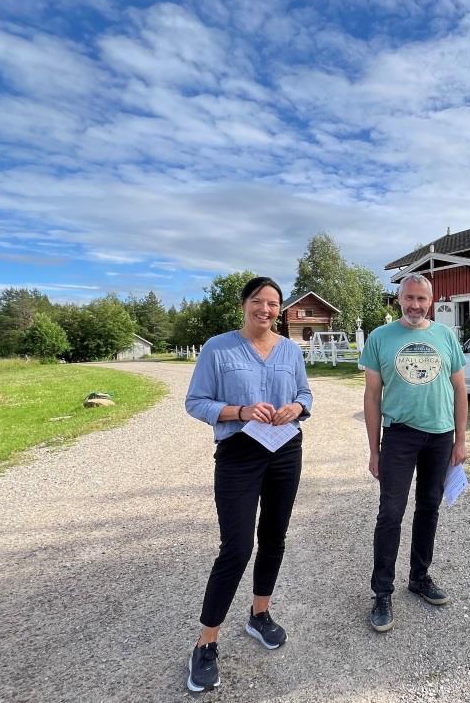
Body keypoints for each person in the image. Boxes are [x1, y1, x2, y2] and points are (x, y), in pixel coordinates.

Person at [183, 276, 313, 692]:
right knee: (236, 548)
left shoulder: (290, 350)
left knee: (274, 536)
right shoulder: (217, 348)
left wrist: (296, 406)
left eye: (274, 304)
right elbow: (195, 402)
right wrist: (238, 411)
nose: (266, 309)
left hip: (285, 450)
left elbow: (305, 394)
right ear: (244, 305)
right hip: (239, 456)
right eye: (258, 301)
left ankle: (260, 614)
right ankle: (206, 643)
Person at [360, 273, 468, 632]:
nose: (415, 305)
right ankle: (382, 591)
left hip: (440, 435)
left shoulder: (445, 336)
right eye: (409, 298)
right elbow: (372, 396)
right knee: (390, 512)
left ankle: (419, 577)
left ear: (431, 300)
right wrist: (374, 449)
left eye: (422, 299)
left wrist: (461, 439)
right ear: (399, 299)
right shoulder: (380, 338)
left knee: (429, 508)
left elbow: (460, 389)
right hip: (399, 436)